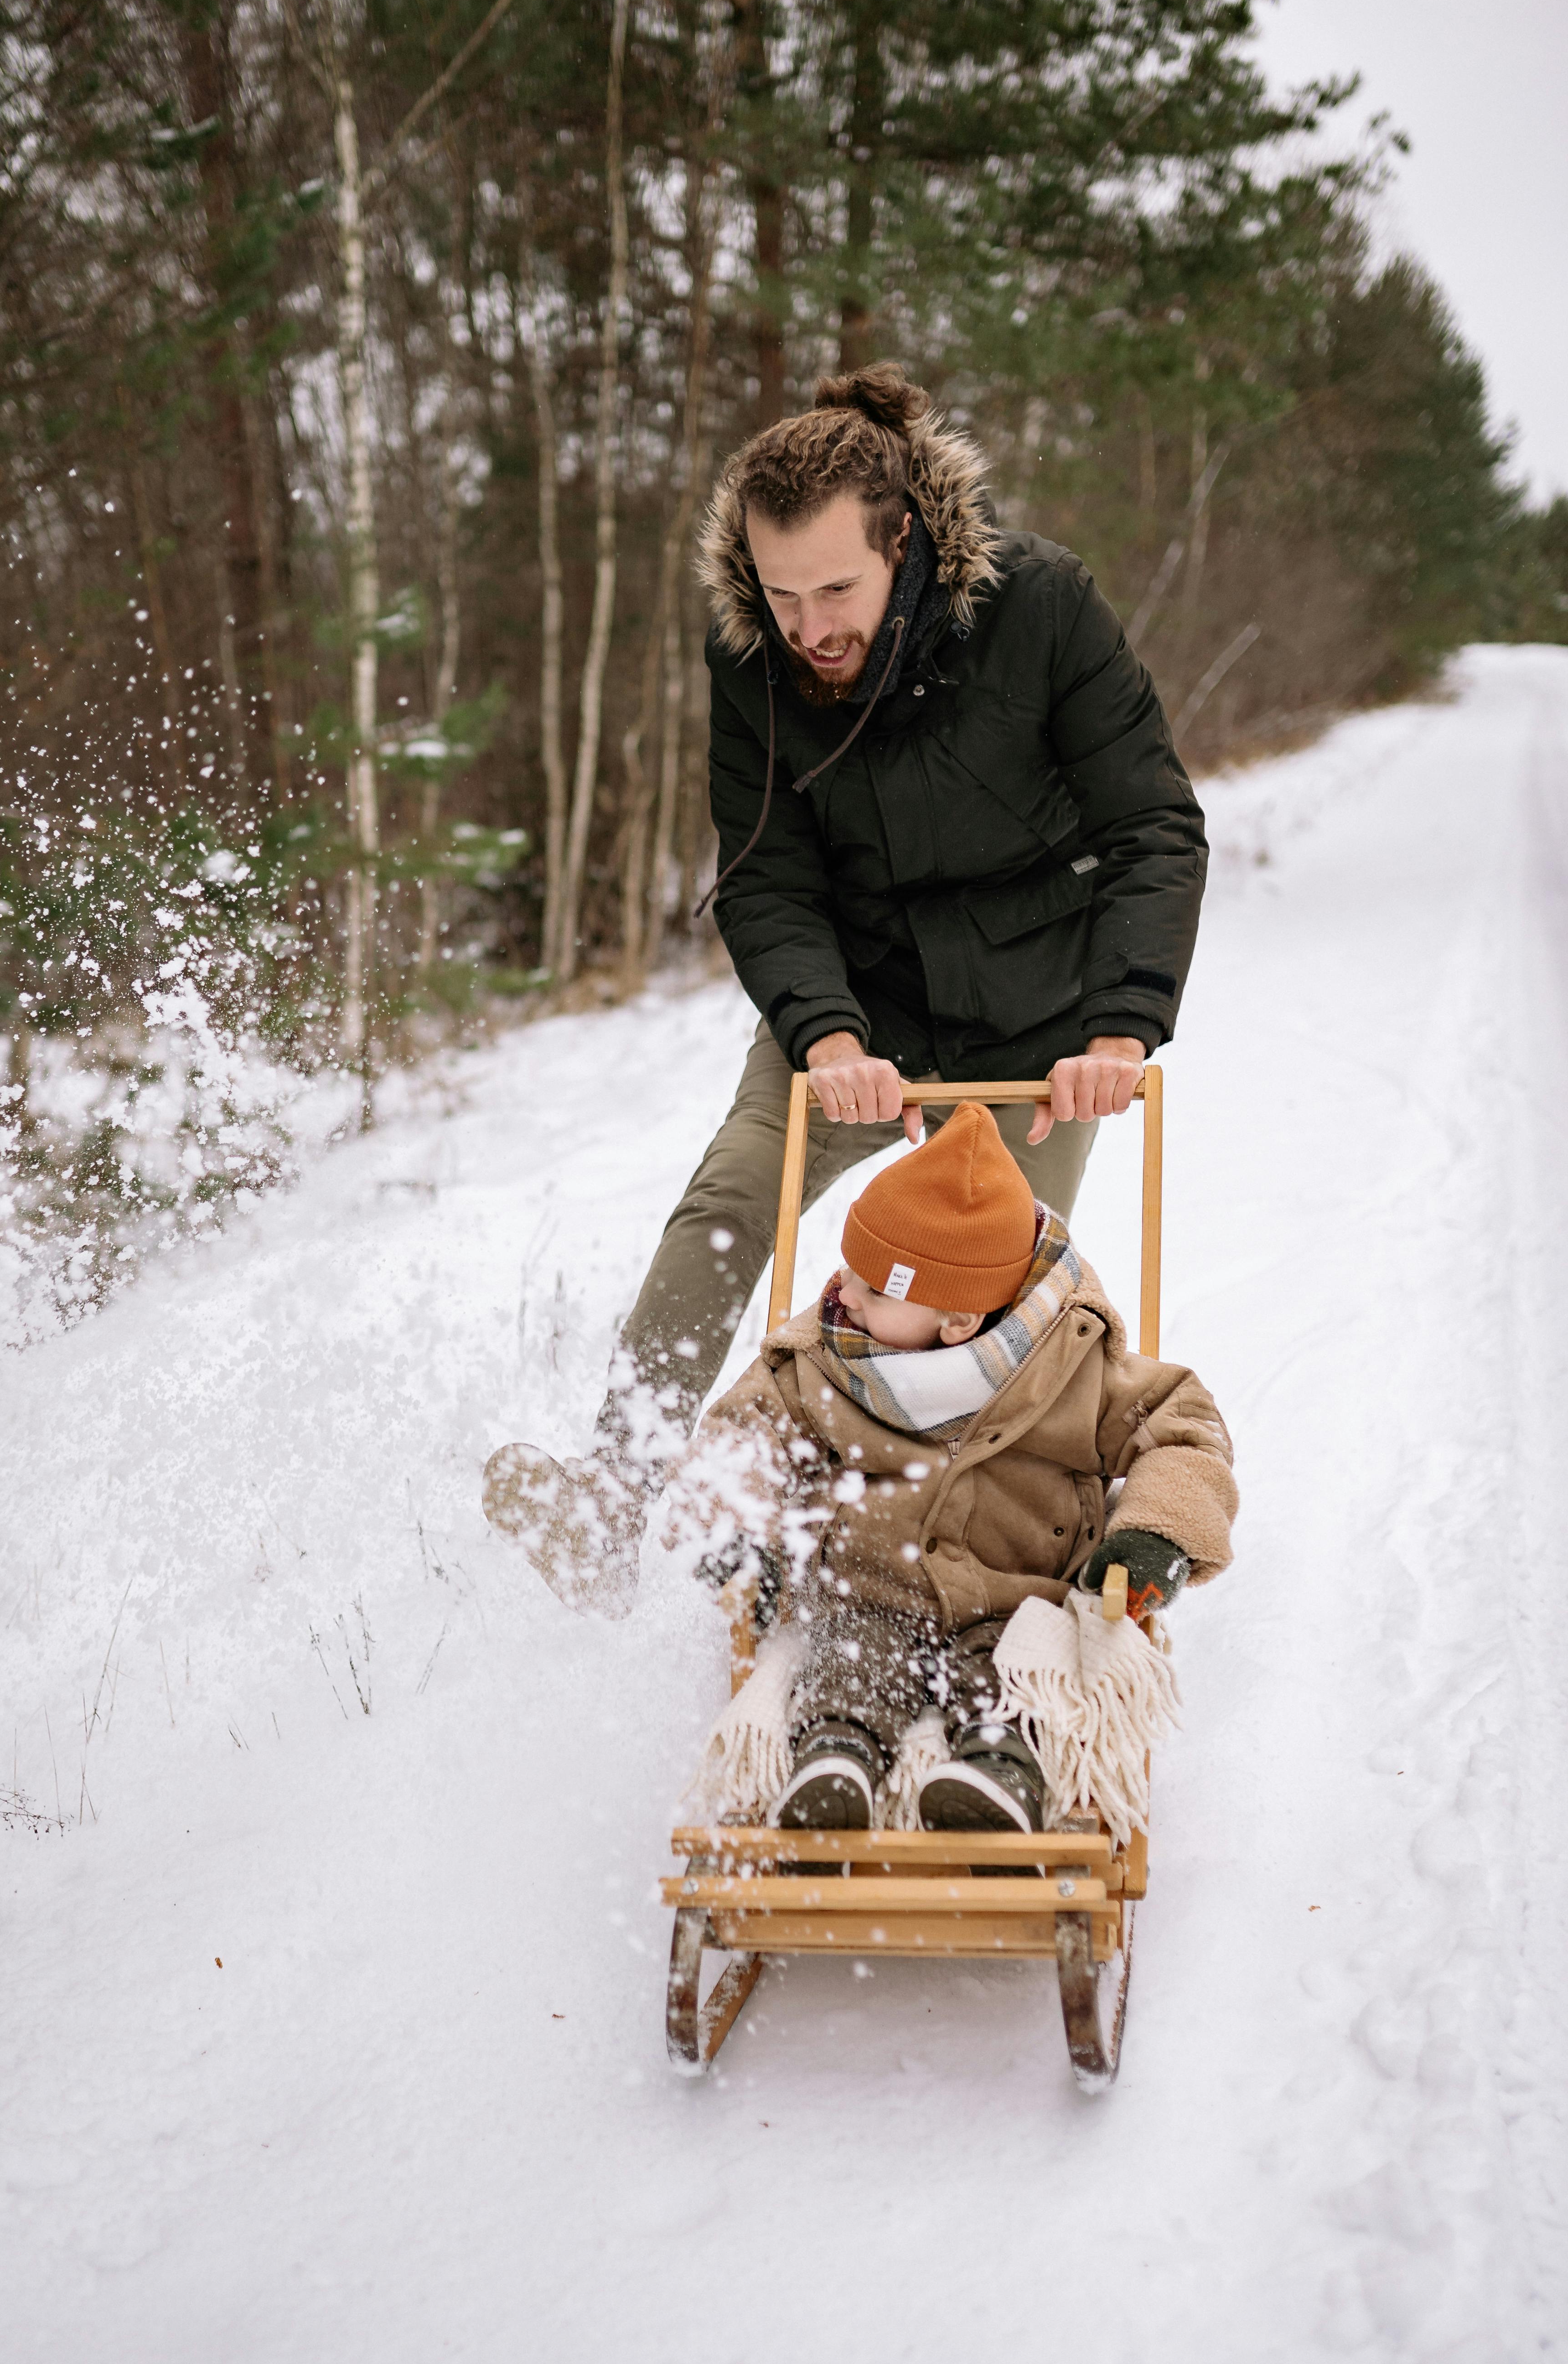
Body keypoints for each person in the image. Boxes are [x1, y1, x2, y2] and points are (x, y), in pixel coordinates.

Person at [485, 361, 1206, 1618]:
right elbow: (765, 878)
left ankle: (980, 1570)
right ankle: (616, 1489)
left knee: (992, 1306)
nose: (810, 623)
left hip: (1041, 1024)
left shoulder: (1041, 608)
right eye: (782, 592)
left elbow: (1152, 825)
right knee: (733, 1190)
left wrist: (1119, 1025)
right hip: (863, 1010)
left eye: (838, 590)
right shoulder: (757, 659)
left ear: (907, 543)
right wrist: (824, 1036)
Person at [669, 1104, 1236, 1835]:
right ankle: (835, 1757)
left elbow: (1185, 1432)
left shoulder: (1074, 1364)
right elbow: (744, 1437)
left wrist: (1158, 1532)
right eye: (849, 1270)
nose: (843, 1292)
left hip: (1014, 1597)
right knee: (850, 1662)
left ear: (960, 1323)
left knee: (1014, 1674)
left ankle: (996, 1775)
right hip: (871, 1589)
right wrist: (740, 1529)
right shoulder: (819, 1359)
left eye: (876, 1288)